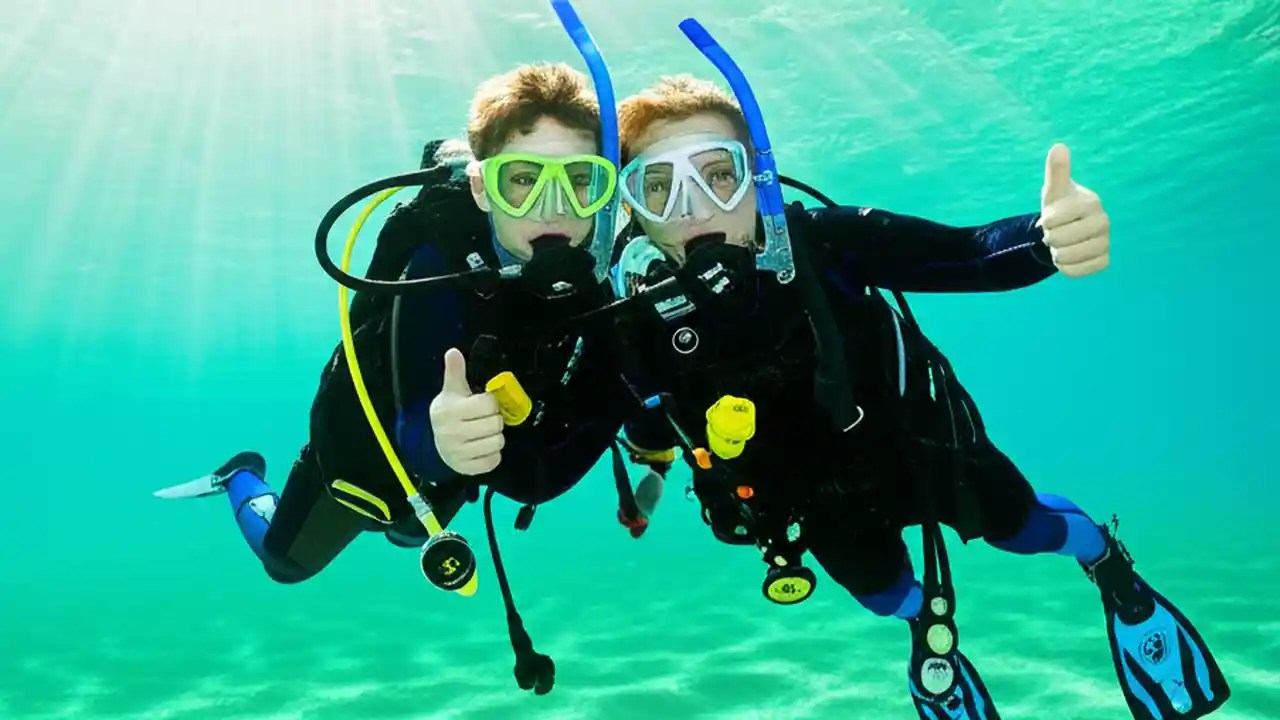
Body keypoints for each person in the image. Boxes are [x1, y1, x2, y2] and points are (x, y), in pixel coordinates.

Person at [603, 18, 1229, 720]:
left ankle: (1106, 561)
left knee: (1024, 529)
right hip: (814, 500)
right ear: (633, 211)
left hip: (922, 449)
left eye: (719, 175)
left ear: (760, 180)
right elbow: (648, 417)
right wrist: (650, 481)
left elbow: (968, 253)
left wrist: (1047, 239)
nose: (694, 209)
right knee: (884, 596)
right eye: (659, 188)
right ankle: (925, 630)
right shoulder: (636, 319)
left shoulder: (826, 244)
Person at [152, 2, 667, 694]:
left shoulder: (602, 278)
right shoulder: (435, 261)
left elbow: (628, 390)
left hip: (458, 472)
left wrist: (652, 459)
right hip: (364, 452)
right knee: (285, 564)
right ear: (481, 187)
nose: (553, 207)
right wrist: (438, 440)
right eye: (522, 179)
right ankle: (241, 476)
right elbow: (408, 414)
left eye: (581, 181)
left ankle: (411, 510)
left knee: (408, 535)